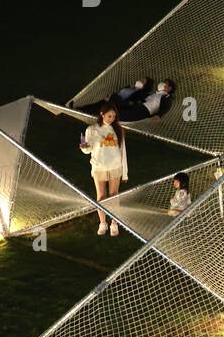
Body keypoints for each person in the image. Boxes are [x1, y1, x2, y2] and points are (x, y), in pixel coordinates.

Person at [80, 102, 128, 236]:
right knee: (101, 196)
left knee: (114, 195)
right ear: (102, 114)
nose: (111, 119)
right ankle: (102, 223)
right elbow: (88, 149)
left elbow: (123, 152)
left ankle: (114, 223)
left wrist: (125, 173)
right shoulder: (92, 130)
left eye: (113, 116)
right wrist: (84, 146)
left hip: (115, 167)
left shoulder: (118, 130)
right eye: (109, 116)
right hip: (99, 167)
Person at [74, 78, 175, 122]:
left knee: (113, 112)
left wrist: (159, 115)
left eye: (165, 84)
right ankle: (77, 109)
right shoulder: (153, 94)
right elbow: (141, 95)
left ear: (169, 89)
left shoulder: (166, 97)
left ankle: (80, 111)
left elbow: (166, 106)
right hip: (135, 106)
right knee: (109, 102)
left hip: (142, 111)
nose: (162, 84)